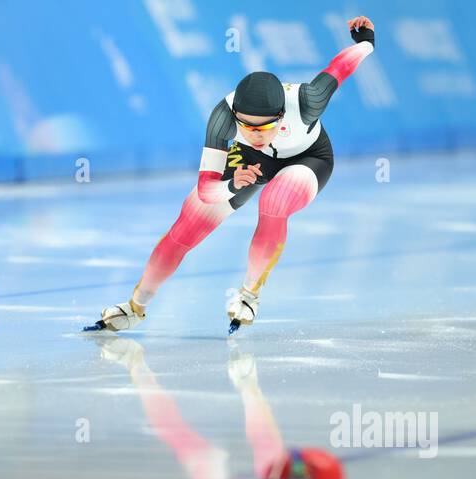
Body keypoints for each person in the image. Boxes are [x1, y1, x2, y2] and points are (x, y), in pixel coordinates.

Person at [86, 16, 377, 335]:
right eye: (245, 125)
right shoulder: (222, 117)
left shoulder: (308, 100)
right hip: (251, 162)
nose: (253, 132)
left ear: (280, 116)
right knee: (188, 224)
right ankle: (135, 307)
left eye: (263, 126)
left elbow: (339, 68)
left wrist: (365, 42)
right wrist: (231, 184)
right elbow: (206, 189)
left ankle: (250, 295)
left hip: (309, 157)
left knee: (276, 199)